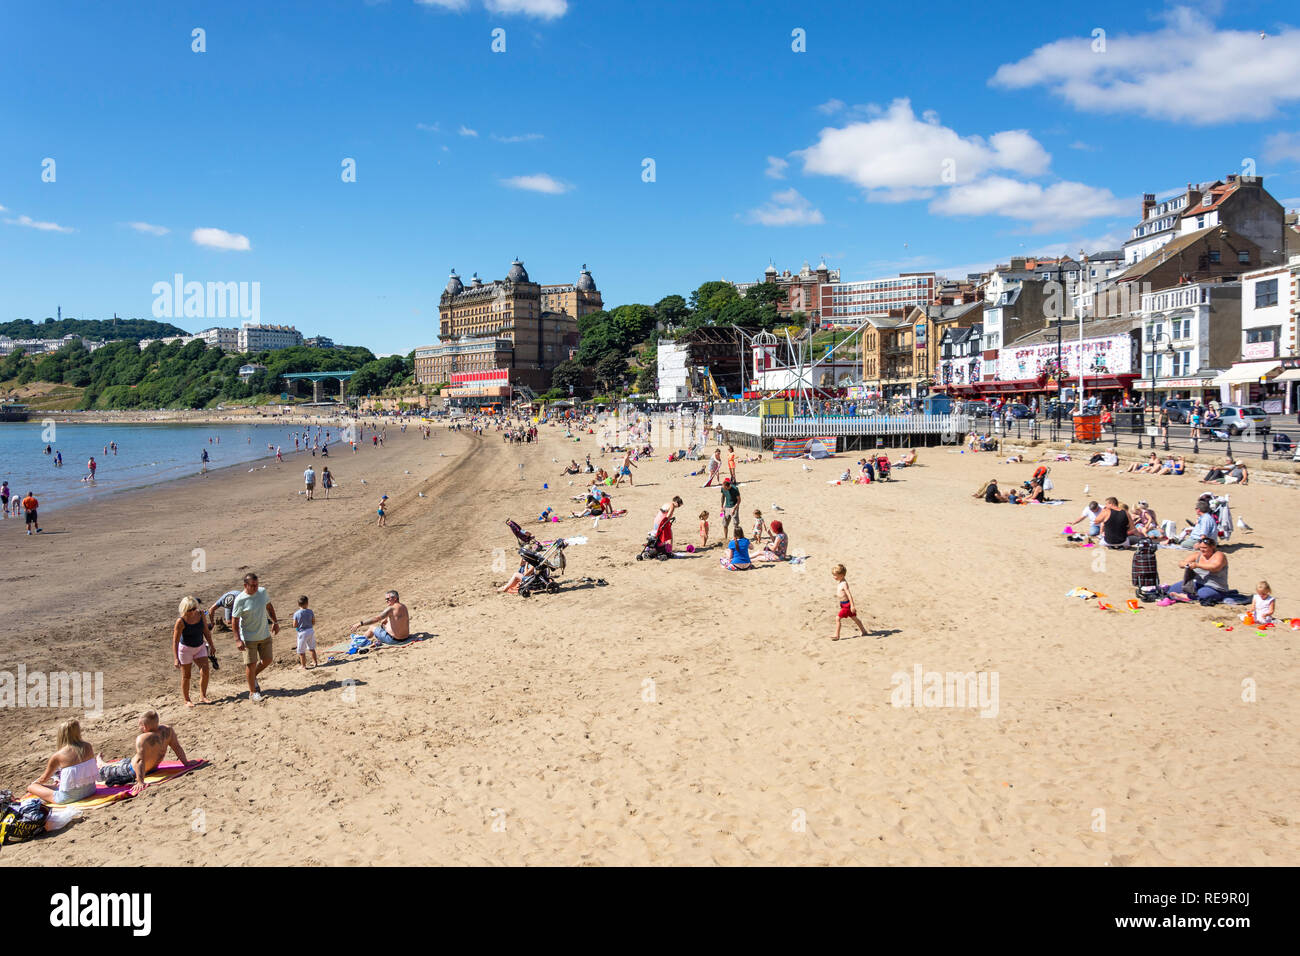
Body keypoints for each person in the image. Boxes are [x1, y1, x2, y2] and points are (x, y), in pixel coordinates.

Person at [96, 711, 192, 797]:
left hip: (129, 770)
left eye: (139, 725)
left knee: (104, 771)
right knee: (122, 762)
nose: (139, 728)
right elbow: (177, 747)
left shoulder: (142, 739)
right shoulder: (168, 730)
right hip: (148, 767)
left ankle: (101, 764)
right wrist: (186, 763)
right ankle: (102, 762)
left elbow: (140, 761)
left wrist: (140, 782)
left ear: (145, 727)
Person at [231, 572, 279, 702]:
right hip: (248, 637)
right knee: (250, 665)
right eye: (253, 585)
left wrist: (275, 621)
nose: (256, 587)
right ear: (245, 585)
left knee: (268, 660)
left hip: (264, 634)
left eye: (257, 585)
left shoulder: (262, 592)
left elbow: (269, 606)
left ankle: (253, 676)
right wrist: (237, 640)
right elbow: (234, 620)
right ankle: (252, 692)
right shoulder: (240, 600)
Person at [28, 719, 97, 805]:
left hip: (67, 798)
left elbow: (43, 779)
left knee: (31, 787)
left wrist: (35, 784)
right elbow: (83, 769)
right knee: (54, 785)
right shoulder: (88, 746)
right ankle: (56, 786)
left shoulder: (58, 755)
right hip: (91, 790)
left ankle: (48, 788)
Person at [172, 596, 216, 707]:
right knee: (186, 675)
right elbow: (175, 642)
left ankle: (203, 696)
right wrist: (176, 658)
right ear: (184, 609)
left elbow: (206, 630)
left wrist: (211, 644)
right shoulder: (180, 621)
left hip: (200, 646)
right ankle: (187, 699)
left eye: (194, 608)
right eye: (189, 610)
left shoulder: (201, 614)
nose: (192, 612)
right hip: (185, 650)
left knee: (205, 670)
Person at [1167, 537, 1229, 602]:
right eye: (1201, 548)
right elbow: (1181, 563)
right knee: (1172, 589)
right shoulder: (1197, 555)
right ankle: (1190, 596)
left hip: (1215, 586)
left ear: (1212, 547)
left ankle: (1187, 597)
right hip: (1197, 583)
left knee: (1203, 594)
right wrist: (1187, 564)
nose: (1202, 550)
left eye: (1205, 548)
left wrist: (1197, 565)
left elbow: (1215, 567)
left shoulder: (1219, 555)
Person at [830, 563, 868, 641]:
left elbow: (849, 595)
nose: (834, 577)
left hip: (847, 605)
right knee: (854, 618)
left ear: (842, 575)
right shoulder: (840, 582)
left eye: (835, 575)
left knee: (837, 618)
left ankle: (837, 635)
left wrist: (852, 606)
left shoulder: (844, 584)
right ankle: (864, 631)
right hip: (843, 605)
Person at [1131, 528, 1161, 598]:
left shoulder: (1138, 555)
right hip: (1152, 577)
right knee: (1151, 571)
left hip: (1142, 573)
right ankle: (1153, 586)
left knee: (1141, 571)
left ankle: (1142, 586)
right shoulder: (1151, 554)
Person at [293, 595, 318, 669]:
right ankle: (315, 662)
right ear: (307, 603)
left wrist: (298, 626)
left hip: (302, 633)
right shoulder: (310, 611)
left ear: (298, 604)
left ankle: (303, 665)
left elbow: (294, 625)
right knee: (311, 648)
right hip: (310, 631)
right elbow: (313, 622)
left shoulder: (296, 613)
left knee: (301, 650)